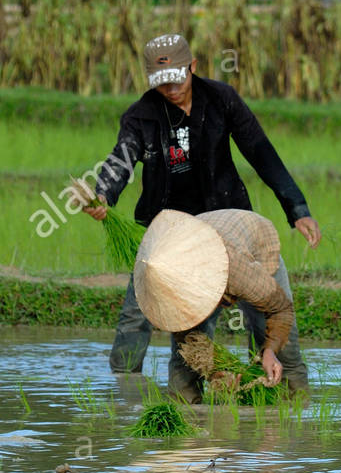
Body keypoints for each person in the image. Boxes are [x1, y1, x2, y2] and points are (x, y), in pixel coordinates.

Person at [69, 32, 320, 394]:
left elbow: (260, 152)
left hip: (228, 227)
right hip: (168, 239)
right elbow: (120, 159)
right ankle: (124, 392)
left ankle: (283, 390)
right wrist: (103, 195)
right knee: (139, 316)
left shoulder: (221, 99)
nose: (170, 90)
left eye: (177, 79)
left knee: (263, 313)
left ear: (193, 67)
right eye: (162, 83)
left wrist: (296, 208)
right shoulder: (142, 116)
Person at [132, 209, 299, 401]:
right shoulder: (161, 277)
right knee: (184, 358)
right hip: (196, 242)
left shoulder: (238, 270)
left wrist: (270, 351)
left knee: (282, 350)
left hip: (253, 244)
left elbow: (281, 309)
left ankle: (295, 408)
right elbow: (185, 336)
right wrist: (214, 371)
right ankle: (186, 412)